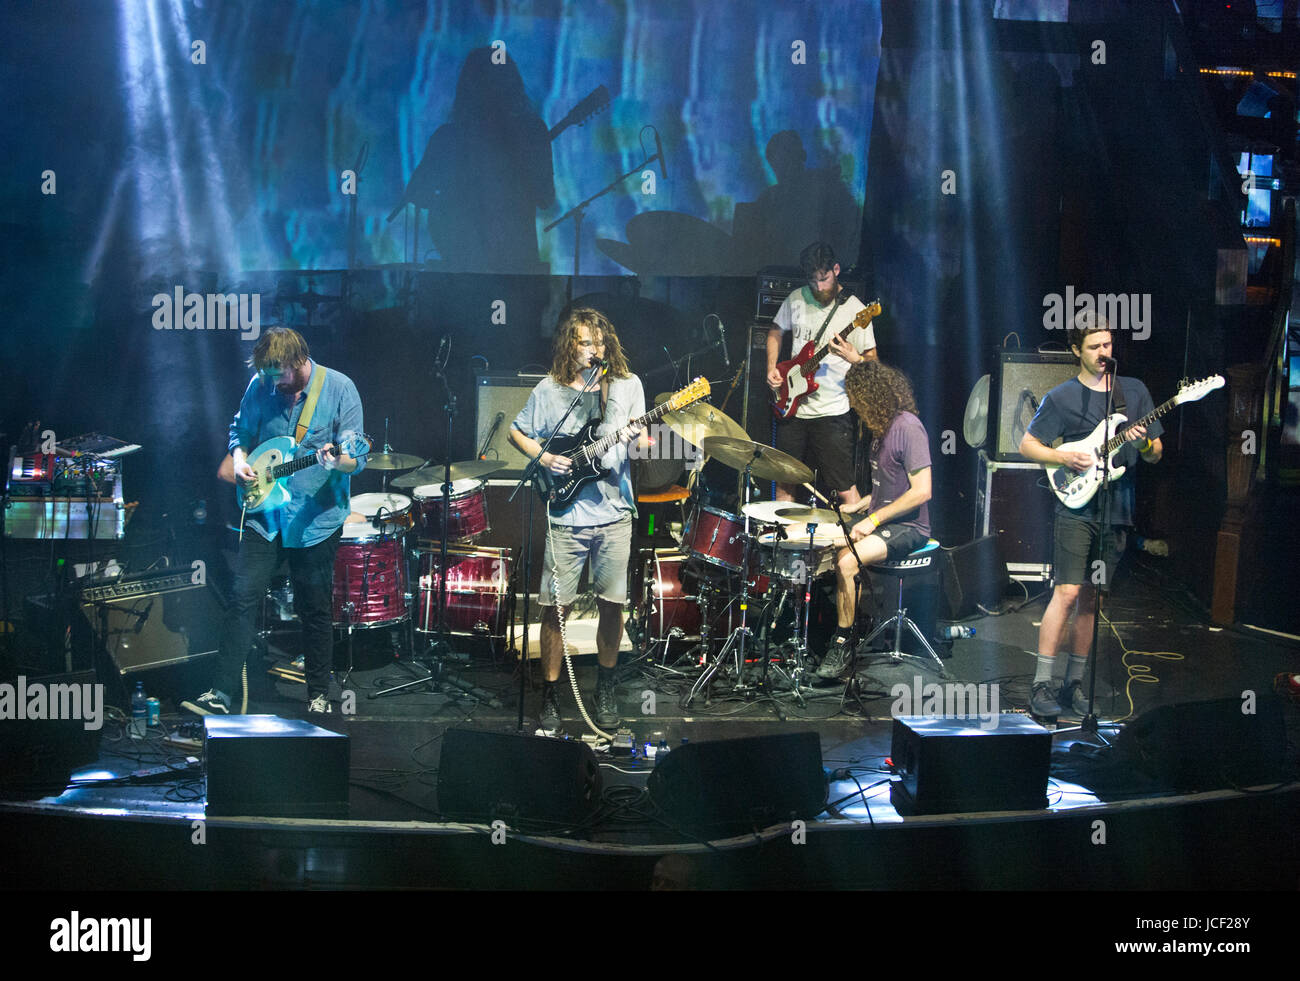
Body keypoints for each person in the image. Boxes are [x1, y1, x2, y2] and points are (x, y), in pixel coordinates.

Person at [184, 328, 366, 716]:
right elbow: (240, 431)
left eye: (277, 375)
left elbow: (356, 457)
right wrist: (240, 460)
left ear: (299, 361)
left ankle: (318, 694)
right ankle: (221, 692)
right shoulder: (260, 384)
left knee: (314, 607)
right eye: (266, 376)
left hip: (315, 520)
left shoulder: (339, 389)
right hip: (264, 516)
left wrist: (338, 461)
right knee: (241, 599)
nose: (272, 383)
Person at [1018, 312, 1162, 717]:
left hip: (1117, 507)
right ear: (1076, 351)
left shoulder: (1132, 393)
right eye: (1095, 346)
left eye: (1108, 345)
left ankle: (1073, 685)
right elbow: (1029, 445)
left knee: (1093, 599)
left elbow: (1155, 455)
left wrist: (1147, 442)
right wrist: (1063, 455)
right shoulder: (1062, 397)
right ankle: (1041, 684)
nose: (1104, 353)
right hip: (1075, 507)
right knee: (1066, 591)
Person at [509, 308, 647, 730]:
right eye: (586, 342)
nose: (595, 350)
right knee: (555, 609)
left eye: (600, 342)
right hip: (566, 516)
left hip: (615, 514)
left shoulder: (627, 386)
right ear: (570, 345)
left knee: (612, 605)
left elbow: (642, 450)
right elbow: (517, 431)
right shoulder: (549, 390)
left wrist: (640, 440)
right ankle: (549, 694)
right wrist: (545, 457)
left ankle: (604, 689)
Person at [817, 362, 932, 679]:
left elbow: (921, 491)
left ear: (871, 397)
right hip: (883, 521)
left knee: (847, 563)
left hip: (909, 528)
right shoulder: (880, 431)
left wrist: (874, 518)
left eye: (856, 399)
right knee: (828, 549)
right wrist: (863, 506)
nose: (854, 407)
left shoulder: (908, 427)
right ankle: (826, 631)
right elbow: (890, 488)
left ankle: (842, 644)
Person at [766, 241, 878, 505]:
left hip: (833, 413)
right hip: (792, 409)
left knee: (844, 488)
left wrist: (854, 357)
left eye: (824, 279)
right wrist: (772, 367)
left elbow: (873, 363)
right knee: (784, 485)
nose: (819, 288)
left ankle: (858, 541)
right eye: (813, 281)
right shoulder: (796, 298)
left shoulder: (856, 310)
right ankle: (783, 543)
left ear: (836, 270)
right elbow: (774, 331)